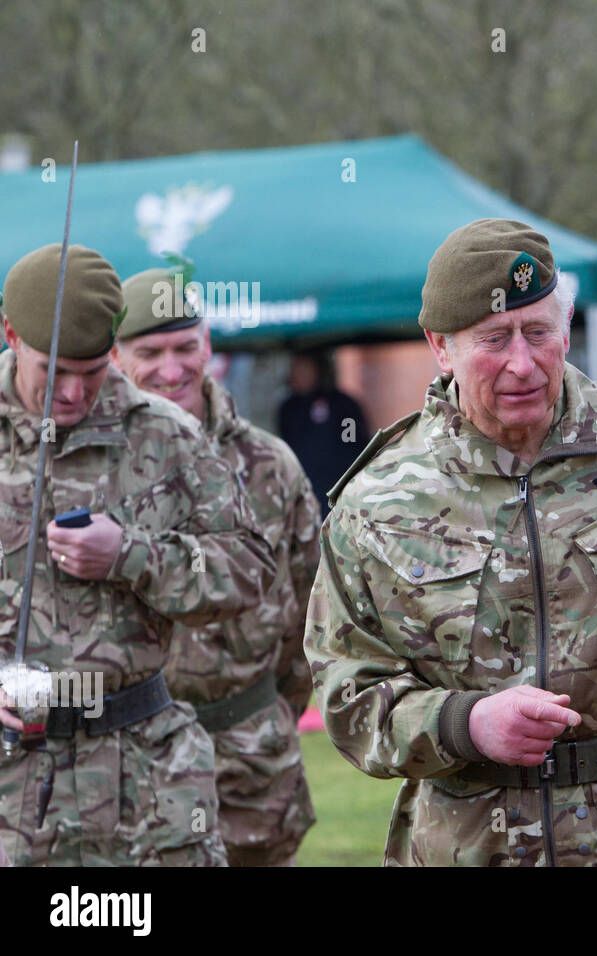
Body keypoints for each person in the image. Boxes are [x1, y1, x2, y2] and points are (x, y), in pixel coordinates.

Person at [304, 219, 597, 866]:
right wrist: (464, 723)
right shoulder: (381, 498)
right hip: (469, 839)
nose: (523, 363)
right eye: (494, 339)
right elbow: (348, 692)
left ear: (567, 330)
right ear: (441, 348)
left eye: (539, 333)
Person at [0, 244, 276, 865]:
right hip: (13, 787)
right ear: (11, 334)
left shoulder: (165, 435)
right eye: (54, 370)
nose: (71, 393)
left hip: (147, 783)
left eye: (92, 371)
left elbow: (249, 569)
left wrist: (131, 555)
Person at [112, 263, 319, 866]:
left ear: (208, 345)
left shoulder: (268, 464)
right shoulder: (93, 464)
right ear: (117, 356)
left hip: (251, 757)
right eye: (149, 351)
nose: (171, 368)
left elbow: (311, 608)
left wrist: (270, 711)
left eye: (185, 346)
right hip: (131, 757)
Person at [276, 350, 370, 517]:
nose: (297, 374)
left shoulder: (344, 406)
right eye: (294, 369)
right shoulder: (288, 409)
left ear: (318, 369)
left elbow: (355, 448)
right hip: (304, 499)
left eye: (303, 368)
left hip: (341, 499)